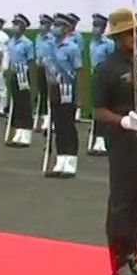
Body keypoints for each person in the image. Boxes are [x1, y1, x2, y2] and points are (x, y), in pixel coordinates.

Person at [92, 8, 137, 275]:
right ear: (118, 37)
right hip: (123, 142)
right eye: (130, 33)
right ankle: (118, 262)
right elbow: (97, 110)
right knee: (122, 202)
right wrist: (122, 121)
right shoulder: (107, 68)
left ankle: (132, 255)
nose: (136, 37)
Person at [46, 13, 82, 178]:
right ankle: (60, 159)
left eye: (59, 25)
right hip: (55, 89)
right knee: (58, 125)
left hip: (68, 89)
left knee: (68, 125)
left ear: (67, 28)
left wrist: (80, 96)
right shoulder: (51, 45)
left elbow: (79, 72)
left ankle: (71, 161)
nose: (55, 28)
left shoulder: (72, 47)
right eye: (55, 25)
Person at [5, 13, 35, 148]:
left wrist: (31, 81)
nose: (15, 27)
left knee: (24, 103)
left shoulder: (27, 43)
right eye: (14, 24)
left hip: (23, 74)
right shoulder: (10, 42)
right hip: (13, 74)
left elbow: (31, 63)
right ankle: (18, 131)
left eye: (18, 24)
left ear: (23, 27)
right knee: (16, 102)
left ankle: (26, 133)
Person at [88, 13, 116, 156]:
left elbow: (113, 62)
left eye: (98, 26)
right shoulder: (92, 43)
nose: (95, 29)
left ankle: (105, 140)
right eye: (94, 25)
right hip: (96, 77)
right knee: (97, 108)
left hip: (107, 78)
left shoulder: (109, 44)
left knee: (106, 108)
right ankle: (98, 139)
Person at [34, 14, 55, 132]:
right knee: (42, 92)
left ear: (49, 25)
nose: (41, 26)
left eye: (44, 23)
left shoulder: (52, 39)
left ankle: (50, 120)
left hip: (50, 69)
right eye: (40, 23)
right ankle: (43, 117)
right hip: (40, 68)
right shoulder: (38, 37)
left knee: (50, 94)